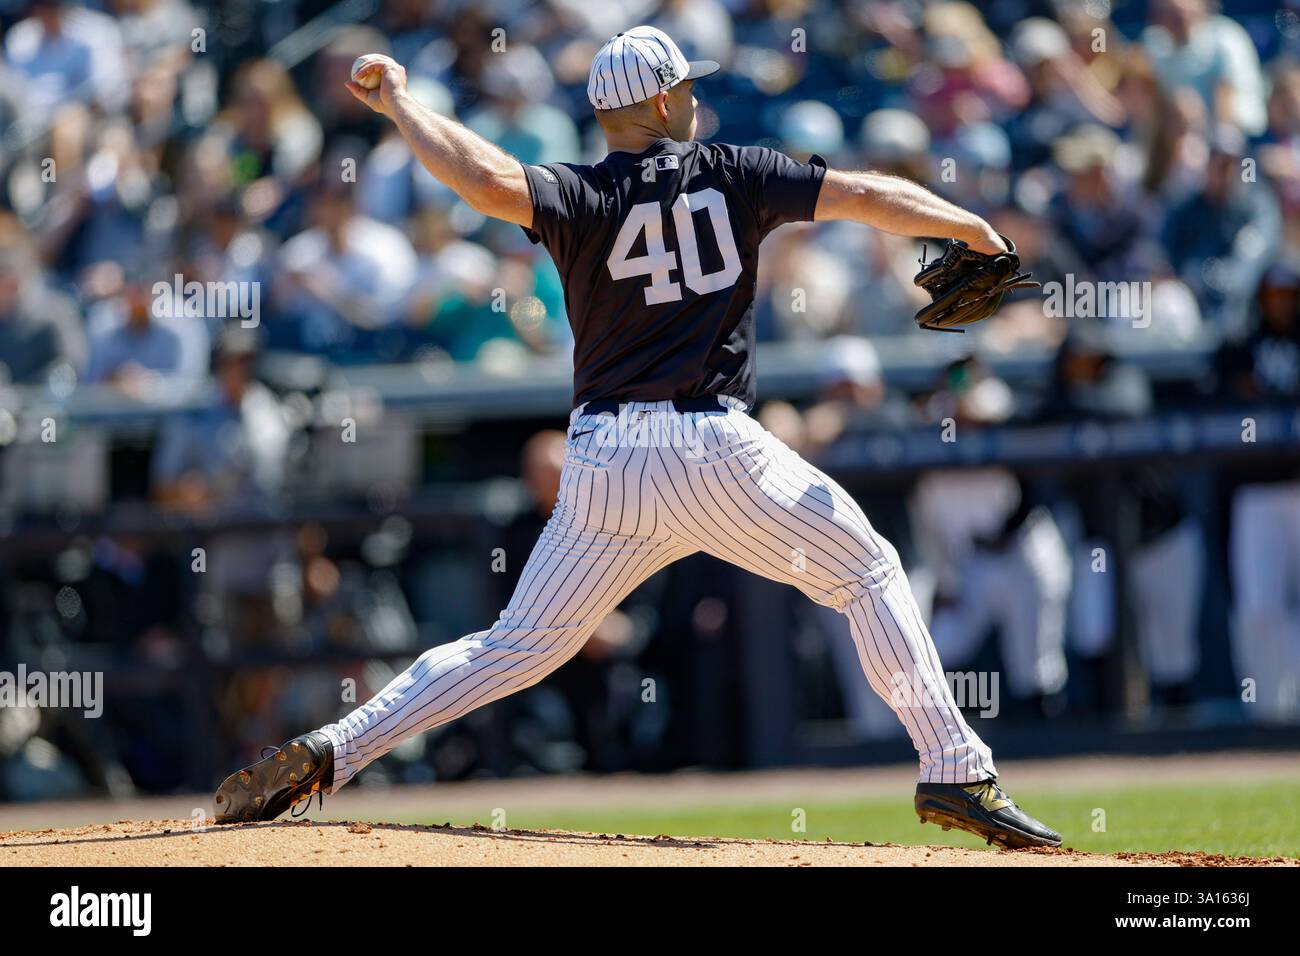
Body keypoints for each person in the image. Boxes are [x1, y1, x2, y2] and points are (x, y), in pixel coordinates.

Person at [214, 26, 1060, 848]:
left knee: (514, 646)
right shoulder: (737, 173)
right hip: (713, 448)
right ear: (662, 98)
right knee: (869, 570)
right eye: (686, 85)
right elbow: (866, 194)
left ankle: (340, 747)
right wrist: (968, 229)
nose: (694, 95)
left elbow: (484, 180)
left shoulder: (579, 193)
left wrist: (400, 103)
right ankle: (954, 765)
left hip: (604, 465)